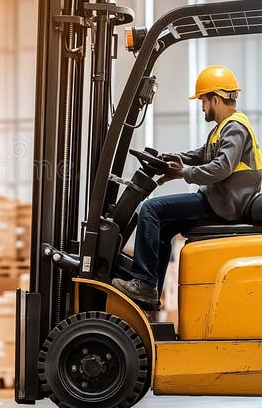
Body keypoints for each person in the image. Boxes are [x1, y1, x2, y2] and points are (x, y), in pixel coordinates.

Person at [112, 65, 262, 311]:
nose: (202, 106)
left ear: (215, 98)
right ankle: (149, 291)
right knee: (164, 225)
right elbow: (203, 154)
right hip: (222, 200)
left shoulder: (235, 127)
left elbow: (221, 167)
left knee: (150, 209)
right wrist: (169, 157)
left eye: (203, 100)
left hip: (225, 204)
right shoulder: (223, 128)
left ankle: (144, 282)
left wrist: (184, 173)